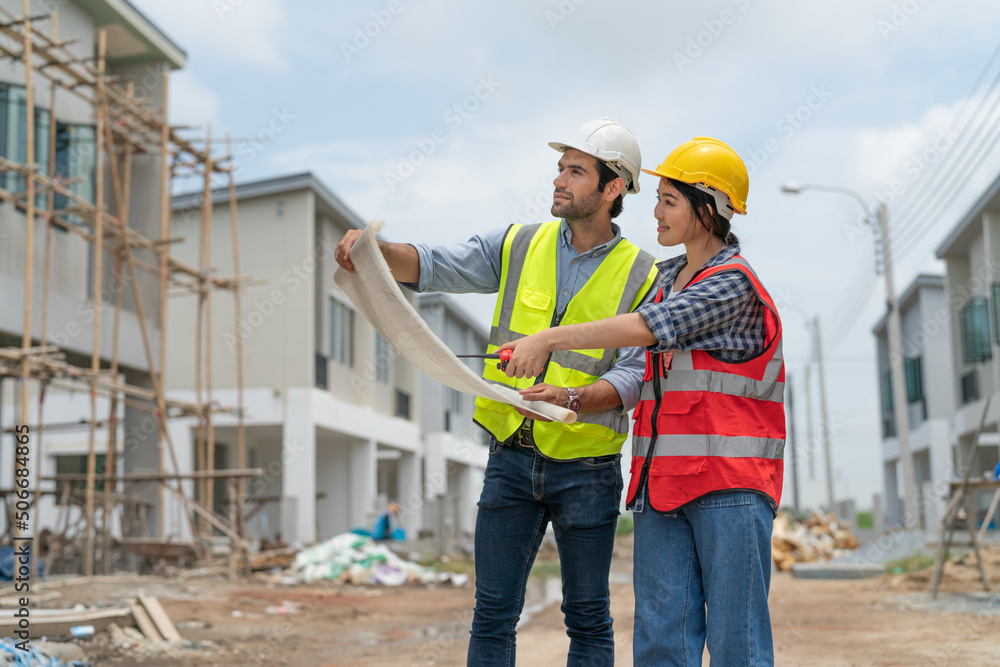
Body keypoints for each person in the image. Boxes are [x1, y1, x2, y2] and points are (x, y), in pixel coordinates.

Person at [335, 118, 659, 666]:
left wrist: (573, 398)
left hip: (588, 468)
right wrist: (378, 251)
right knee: (492, 614)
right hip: (509, 457)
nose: (559, 179)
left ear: (613, 188)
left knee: (586, 616)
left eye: (576, 171)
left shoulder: (644, 275)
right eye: (560, 167)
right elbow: (437, 263)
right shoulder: (519, 243)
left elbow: (632, 376)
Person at [499, 137, 785, 666]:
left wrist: (551, 338)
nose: (654, 212)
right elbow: (632, 366)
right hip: (660, 488)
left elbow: (651, 328)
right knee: (658, 642)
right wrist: (567, 395)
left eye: (669, 201)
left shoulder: (732, 286)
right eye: (656, 198)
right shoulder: (666, 282)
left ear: (711, 208)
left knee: (735, 646)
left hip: (729, 486)